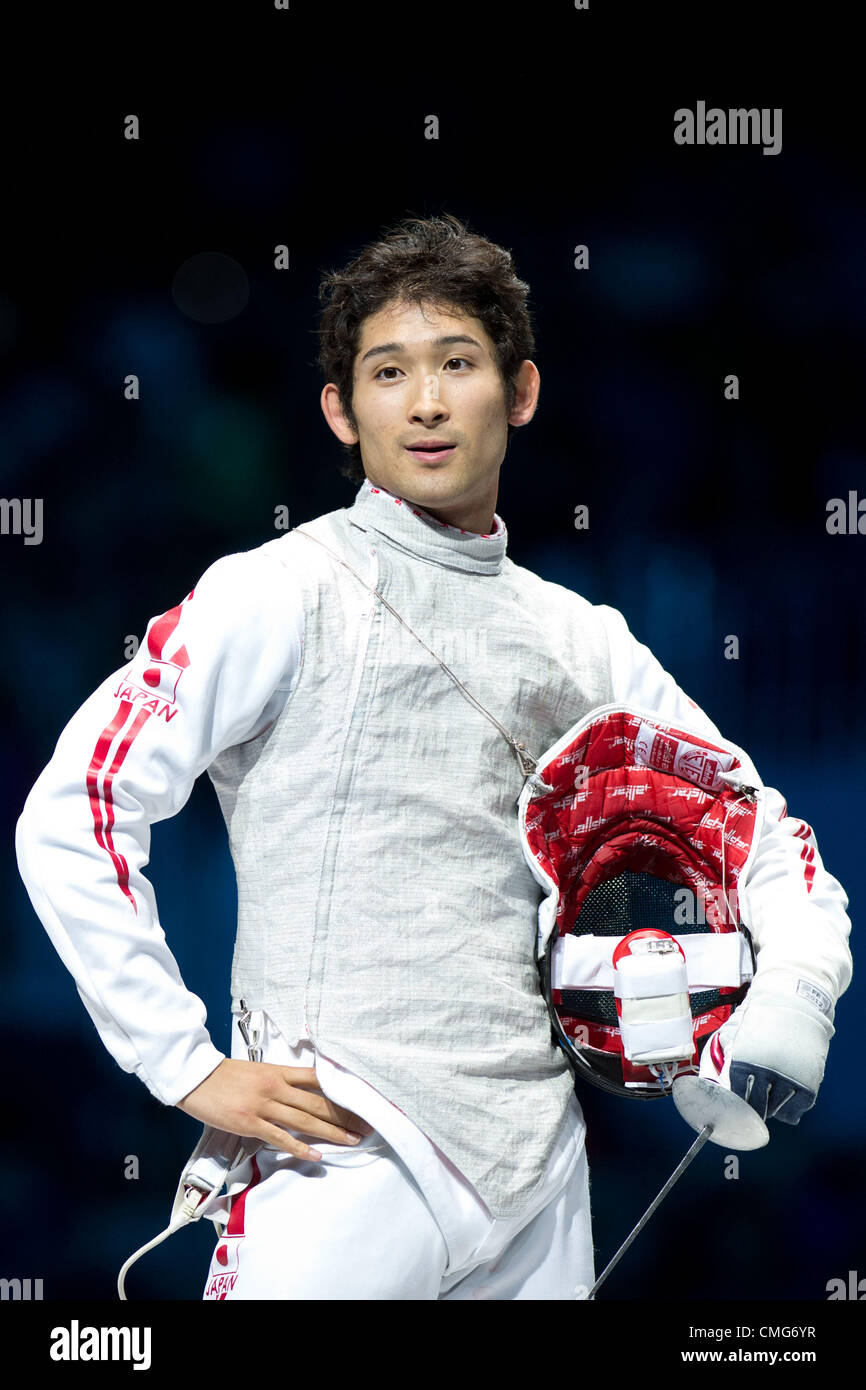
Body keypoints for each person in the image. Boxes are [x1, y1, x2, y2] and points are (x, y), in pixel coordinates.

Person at [15, 214, 853, 1300]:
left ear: (519, 393)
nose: (422, 401)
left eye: (456, 364)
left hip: (539, 1179)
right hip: (338, 1151)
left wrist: (795, 990)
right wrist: (180, 1061)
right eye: (386, 371)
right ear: (338, 409)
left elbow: (760, 830)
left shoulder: (582, 639)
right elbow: (74, 809)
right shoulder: (278, 589)